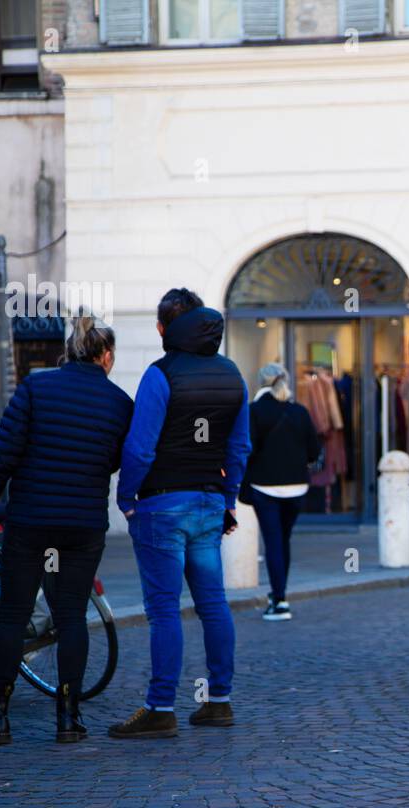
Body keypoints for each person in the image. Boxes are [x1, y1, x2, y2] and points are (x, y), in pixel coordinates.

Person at [0, 315, 134, 745]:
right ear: (106, 355)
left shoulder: (37, 387)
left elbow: (2, 453)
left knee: (14, 617)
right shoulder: (119, 402)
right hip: (83, 523)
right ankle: (69, 717)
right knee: (72, 616)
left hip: (32, 519)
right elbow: (117, 459)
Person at [111, 289, 251, 739]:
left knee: (164, 610)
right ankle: (219, 701)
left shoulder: (161, 374)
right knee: (213, 604)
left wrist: (127, 497)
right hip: (209, 500)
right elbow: (239, 446)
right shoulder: (233, 375)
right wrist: (228, 498)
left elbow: (139, 446)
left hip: (162, 503)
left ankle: (161, 706)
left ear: (164, 329)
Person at [242, 363, 321, 622]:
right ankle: (279, 595)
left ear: (261, 382)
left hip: (264, 487)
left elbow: (247, 449)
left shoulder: (254, 411)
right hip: (297, 487)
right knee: (282, 541)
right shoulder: (299, 411)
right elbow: (313, 451)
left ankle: (280, 600)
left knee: (274, 542)